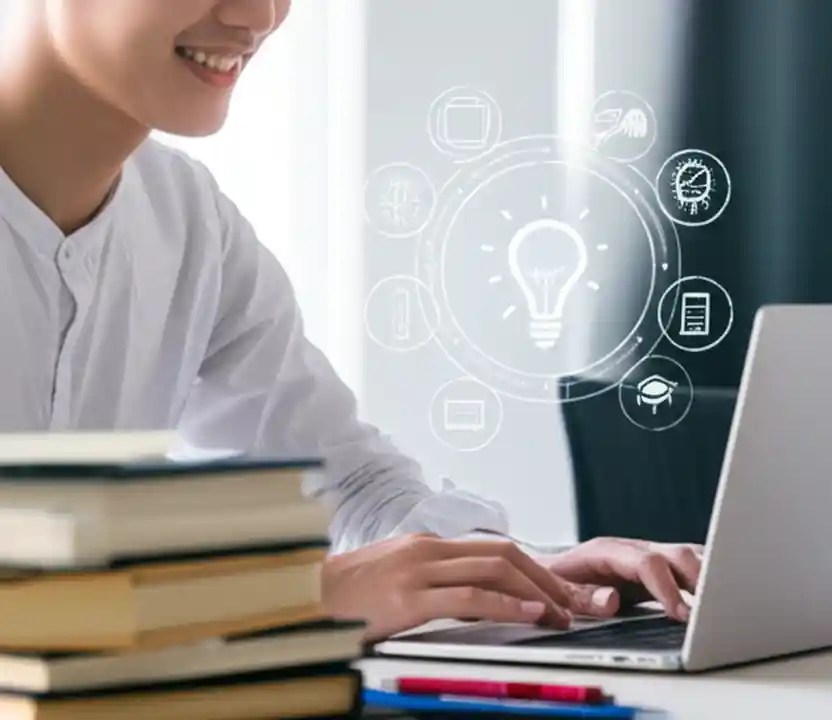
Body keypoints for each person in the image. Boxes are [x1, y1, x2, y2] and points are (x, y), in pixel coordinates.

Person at [0, 0, 702, 641]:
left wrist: (514, 575)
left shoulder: (187, 222)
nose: (258, 15)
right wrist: (297, 598)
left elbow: (341, 489)